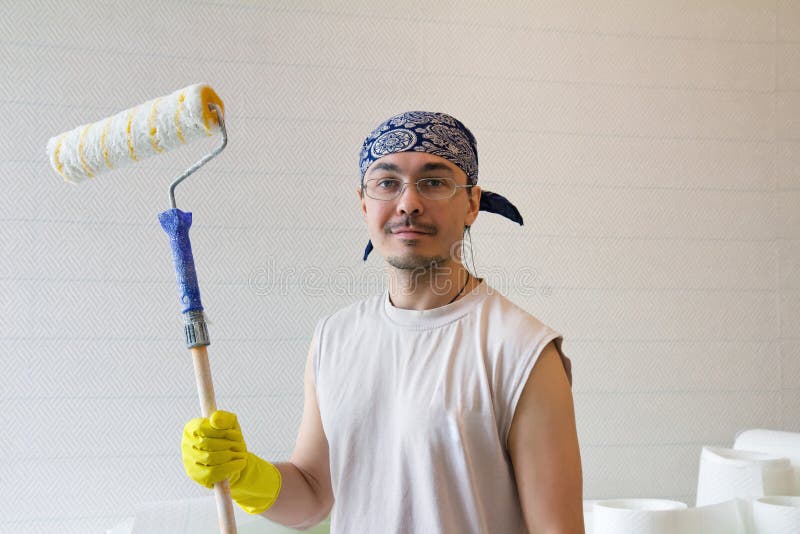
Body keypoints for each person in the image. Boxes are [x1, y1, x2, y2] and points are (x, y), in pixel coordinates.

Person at [182, 111, 584, 533]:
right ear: (363, 202)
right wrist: (246, 475)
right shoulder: (334, 338)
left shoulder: (522, 352)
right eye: (387, 183)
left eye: (434, 182)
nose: (408, 203)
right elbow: (315, 497)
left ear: (471, 203)